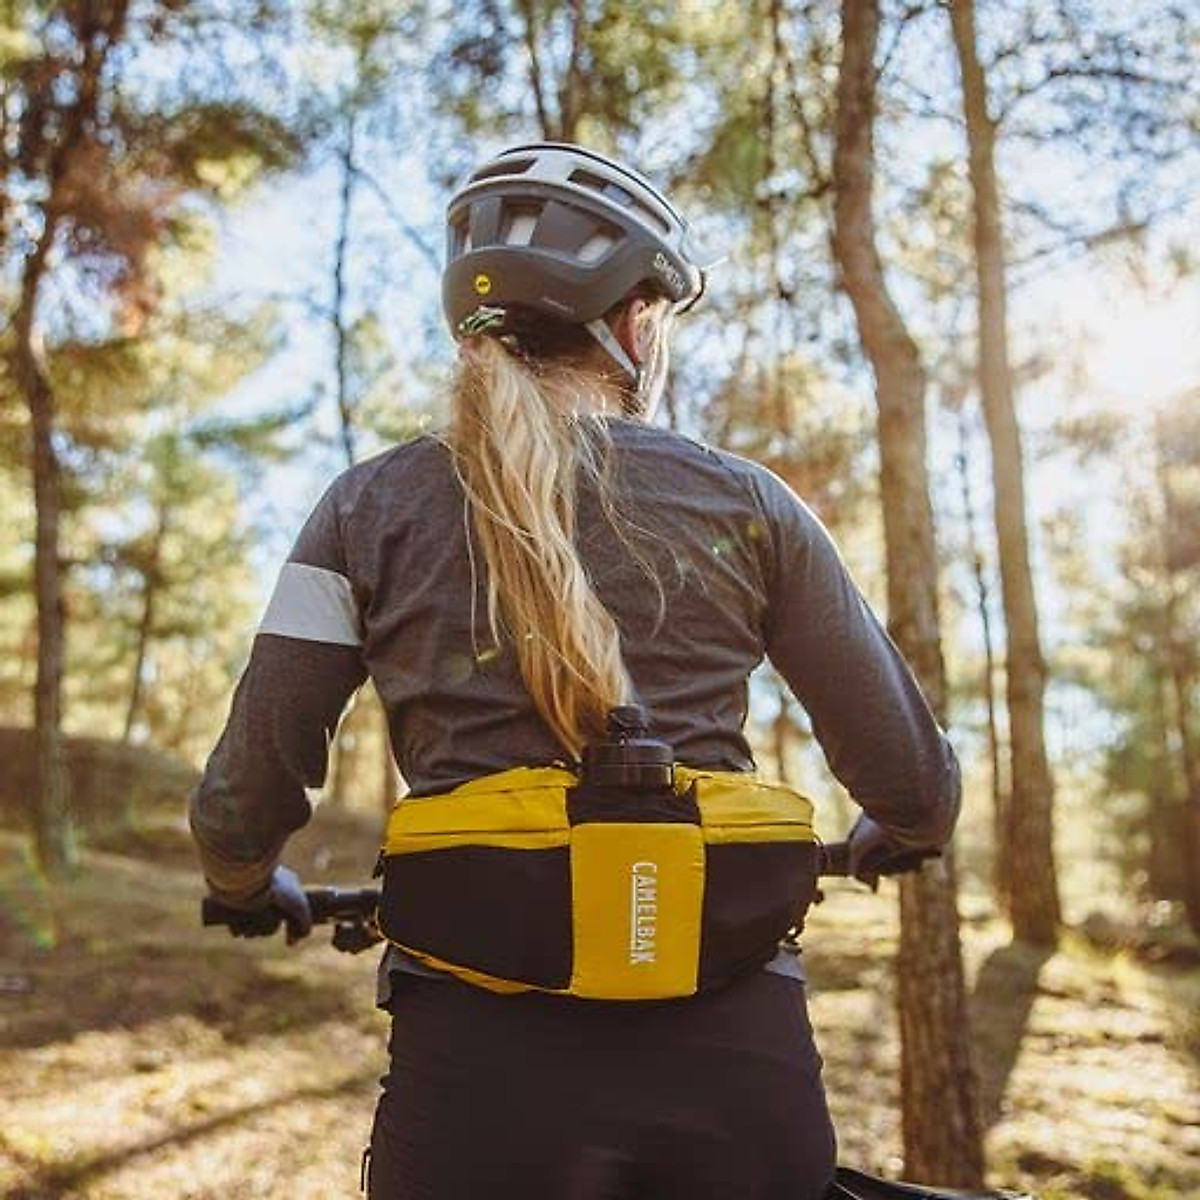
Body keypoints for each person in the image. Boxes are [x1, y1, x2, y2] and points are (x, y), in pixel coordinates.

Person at [191, 141, 961, 1200]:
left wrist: (244, 881)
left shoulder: (365, 509)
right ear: (637, 322)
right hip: (736, 1068)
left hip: (476, 1084)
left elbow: (250, 784)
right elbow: (913, 782)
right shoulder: (753, 505)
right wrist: (899, 831)